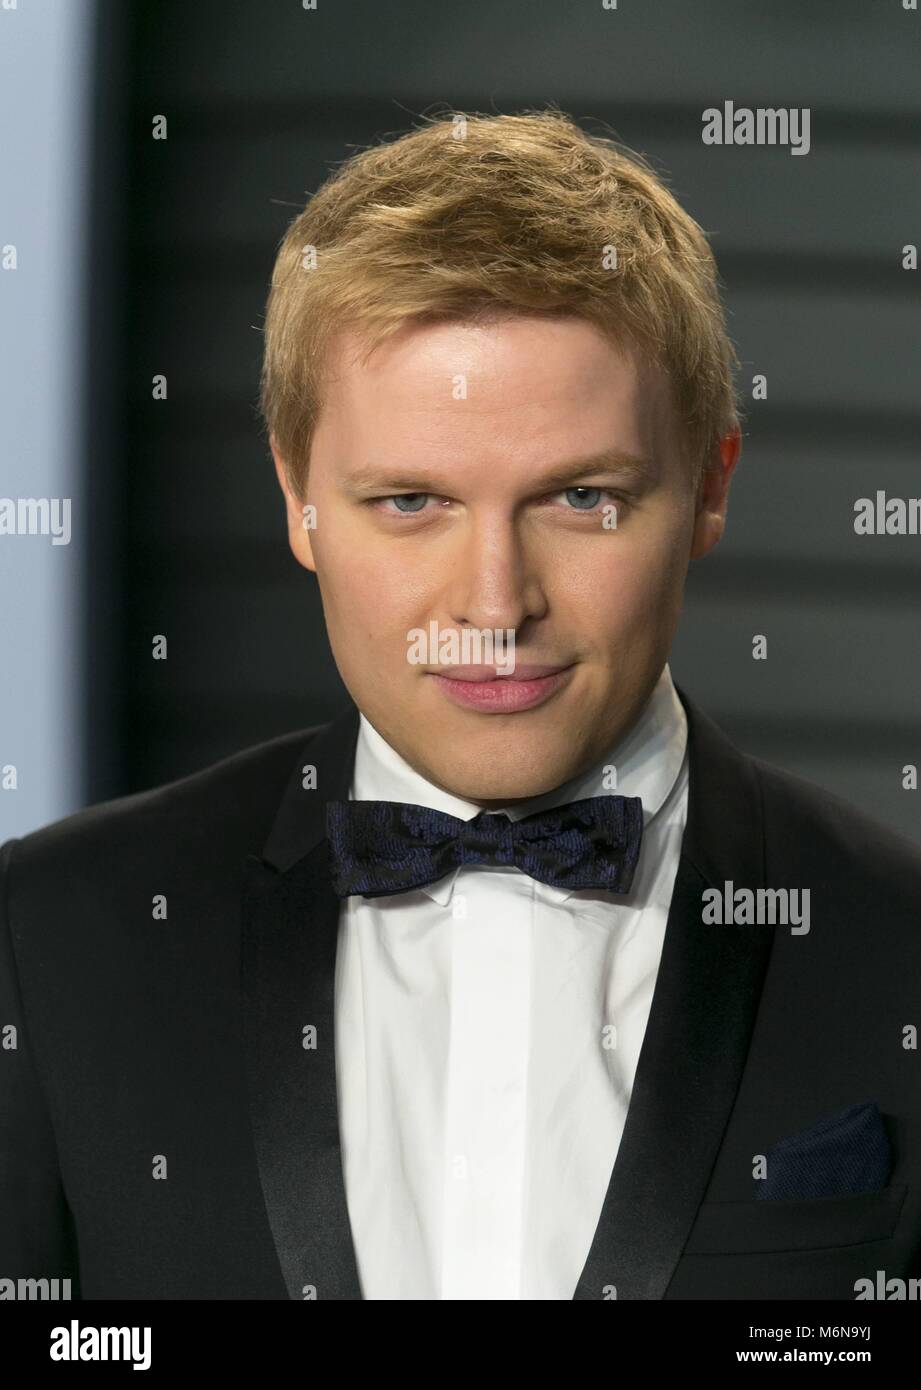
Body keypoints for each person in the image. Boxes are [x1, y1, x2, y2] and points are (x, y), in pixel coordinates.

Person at [2, 110, 919, 1301]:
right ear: (298, 497)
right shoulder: (47, 940)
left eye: (581, 495)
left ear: (708, 487)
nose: (493, 602)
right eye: (411, 502)